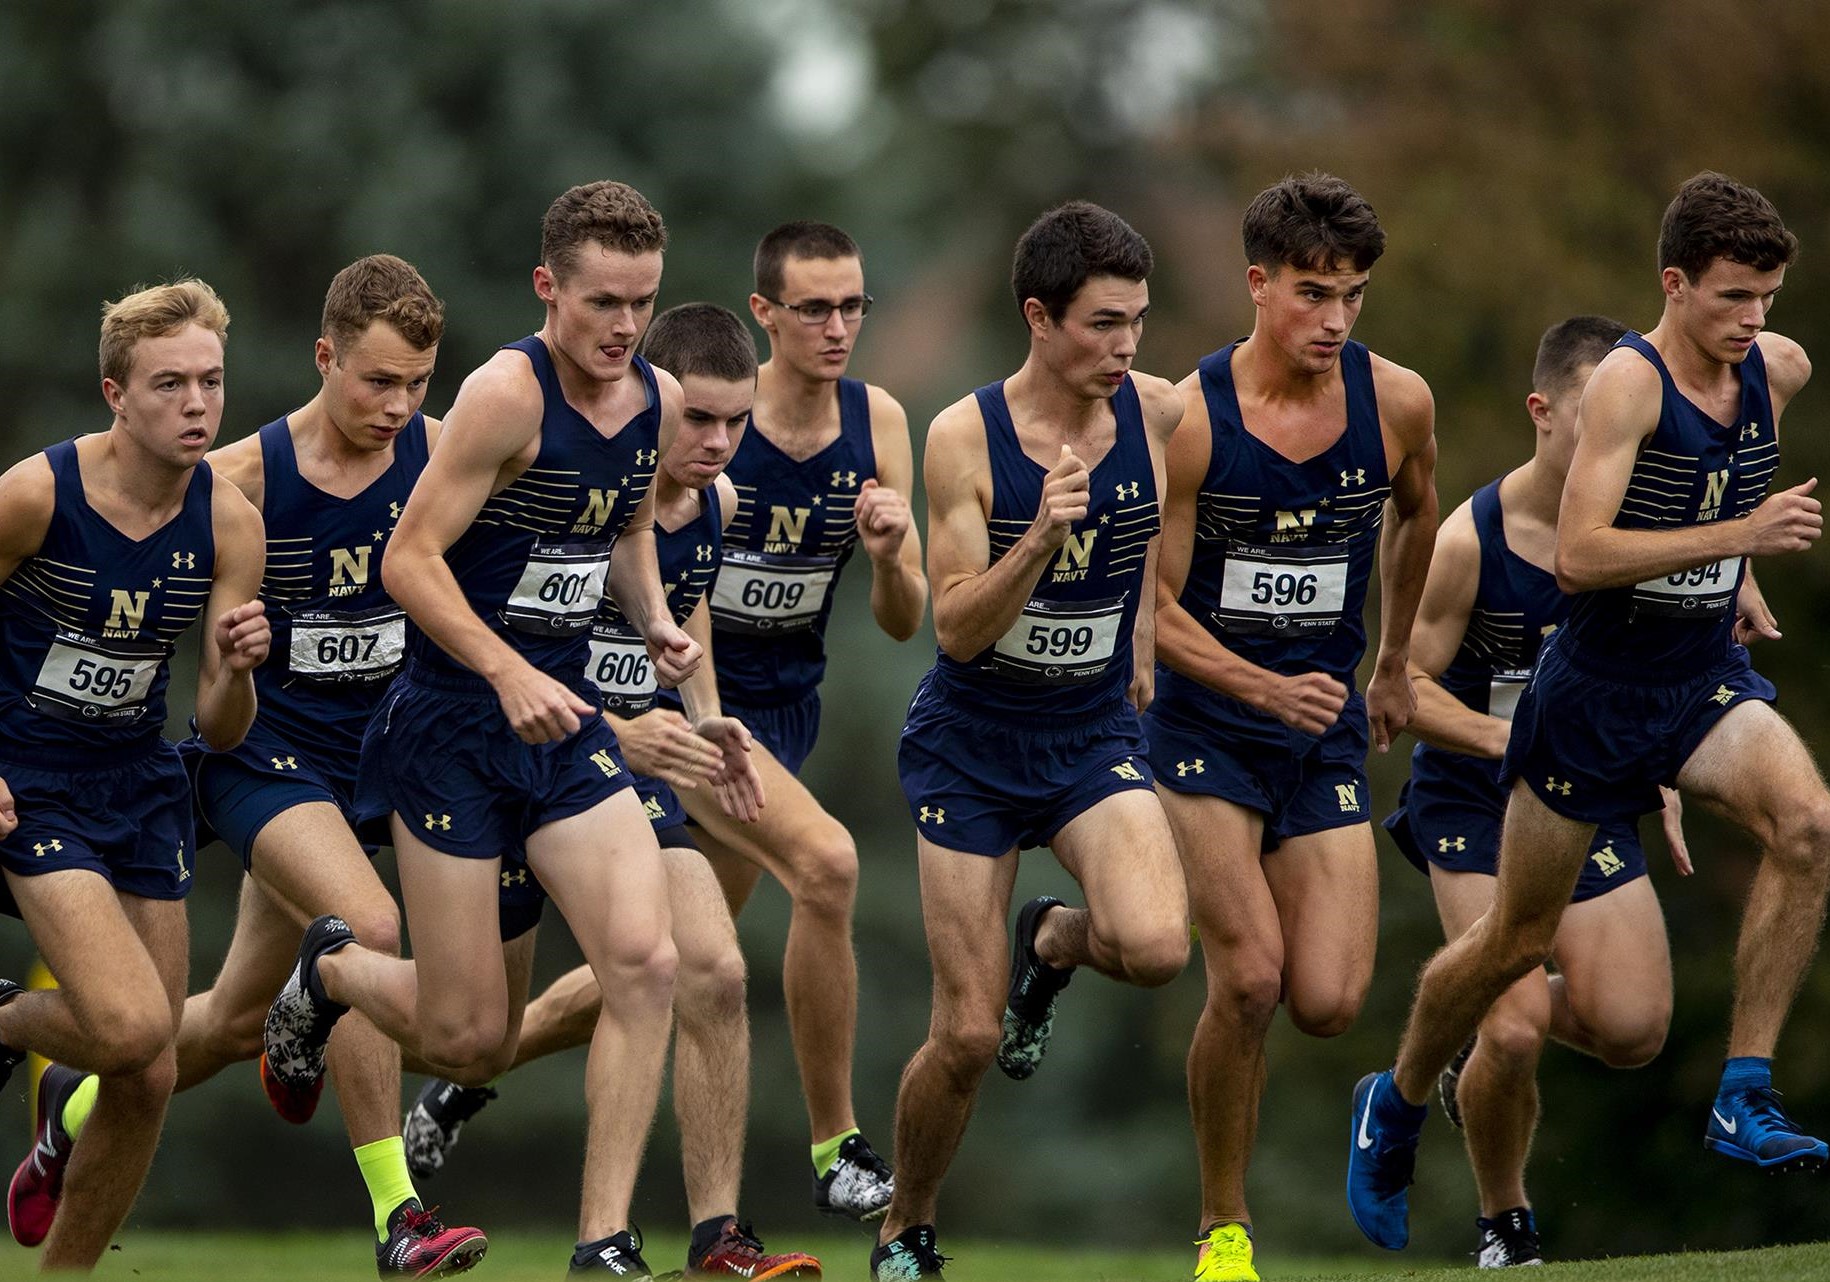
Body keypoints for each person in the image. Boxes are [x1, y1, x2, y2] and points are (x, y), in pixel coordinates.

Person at [1349, 171, 1829, 1254]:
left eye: (1767, 297)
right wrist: (1740, 539)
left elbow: (1718, 480)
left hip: (1697, 679)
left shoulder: (1779, 369)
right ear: (1674, 283)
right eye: (1732, 298)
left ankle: (1743, 1092)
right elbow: (1578, 556)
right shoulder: (1626, 384)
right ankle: (1403, 1095)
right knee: (1515, 950)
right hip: (1594, 699)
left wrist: (1736, 573)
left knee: (1810, 825)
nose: (1753, 320)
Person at [7, 256, 489, 1276]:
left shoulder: (421, 464)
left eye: (417, 384)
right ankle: (397, 1214)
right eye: (377, 381)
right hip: (250, 766)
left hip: (349, 766)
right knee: (361, 932)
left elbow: (553, 538)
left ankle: (67, 1109)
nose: (398, 406)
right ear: (324, 359)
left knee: (210, 1032)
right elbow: (224, 733)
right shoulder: (218, 483)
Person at [262, 180, 701, 1279]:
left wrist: (653, 618)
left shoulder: (654, 396)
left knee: (649, 961)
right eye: (602, 302)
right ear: (548, 287)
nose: (625, 325)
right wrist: (503, 670)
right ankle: (331, 976)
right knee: (468, 1041)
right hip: (452, 724)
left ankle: (603, 1241)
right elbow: (405, 562)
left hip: (562, 721)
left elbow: (626, 525)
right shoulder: (506, 395)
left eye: (642, 301)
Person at [406, 302, 820, 1280]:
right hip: (509, 754)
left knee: (709, 969)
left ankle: (709, 1237)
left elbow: (686, 612)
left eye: (737, 422)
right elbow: (515, 628)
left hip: (611, 776)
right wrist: (617, 729)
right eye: (699, 419)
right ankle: (335, 991)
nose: (718, 442)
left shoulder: (715, 507)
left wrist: (705, 713)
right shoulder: (567, 483)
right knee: (473, 1037)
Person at [872, 201, 1190, 1280]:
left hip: (1090, 732)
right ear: (1039, 317)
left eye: (1137, 321)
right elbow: (956, 628)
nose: (1126, 344)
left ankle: (1050, 942)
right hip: (973, 744)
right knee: (965, 1034)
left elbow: (1155, 526)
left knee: (1157, 947)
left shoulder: (1156, 412)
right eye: (1103, 323)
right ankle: (908, 1223)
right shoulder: (965, 437)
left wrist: (1141, 634)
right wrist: (1043, 537)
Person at [1143, 173, 1437, 1282]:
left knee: (1328, 1002)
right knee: (1251, 980)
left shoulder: (1396, 402)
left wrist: (1393, 661)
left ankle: (1065, 932)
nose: (1335, 319)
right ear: (1258, 284)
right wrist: (1261, 689)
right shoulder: (1191, 420)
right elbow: (1152, 609)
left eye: (1353, 296)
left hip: (1321, 734)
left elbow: (1418, 513)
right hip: (1206, 727)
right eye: (1314, 294)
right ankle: (1225, 1227)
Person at [1384, 315, 1683, 1267]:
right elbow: (1401, 687)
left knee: (1632, 1030)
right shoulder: (1469, 541)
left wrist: (1673, 766)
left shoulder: (1641, 532)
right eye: (1592, 408)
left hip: (1585, 794)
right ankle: (1504, 1224)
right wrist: (1508, 738)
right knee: (1512, 1031)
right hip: (1473, 801)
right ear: (1542, 411)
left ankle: (1455, 1022)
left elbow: (1667, 670)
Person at [0, 279, 269, 1271]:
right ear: (115, 393)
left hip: (139, 781)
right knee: (128, 1026)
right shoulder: (36, 494)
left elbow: (220, 728)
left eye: (211, 381)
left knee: (149, 1072)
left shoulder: (229, 523)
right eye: (169, 384)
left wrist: (236, 670)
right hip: (33, 781)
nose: (197, 404)